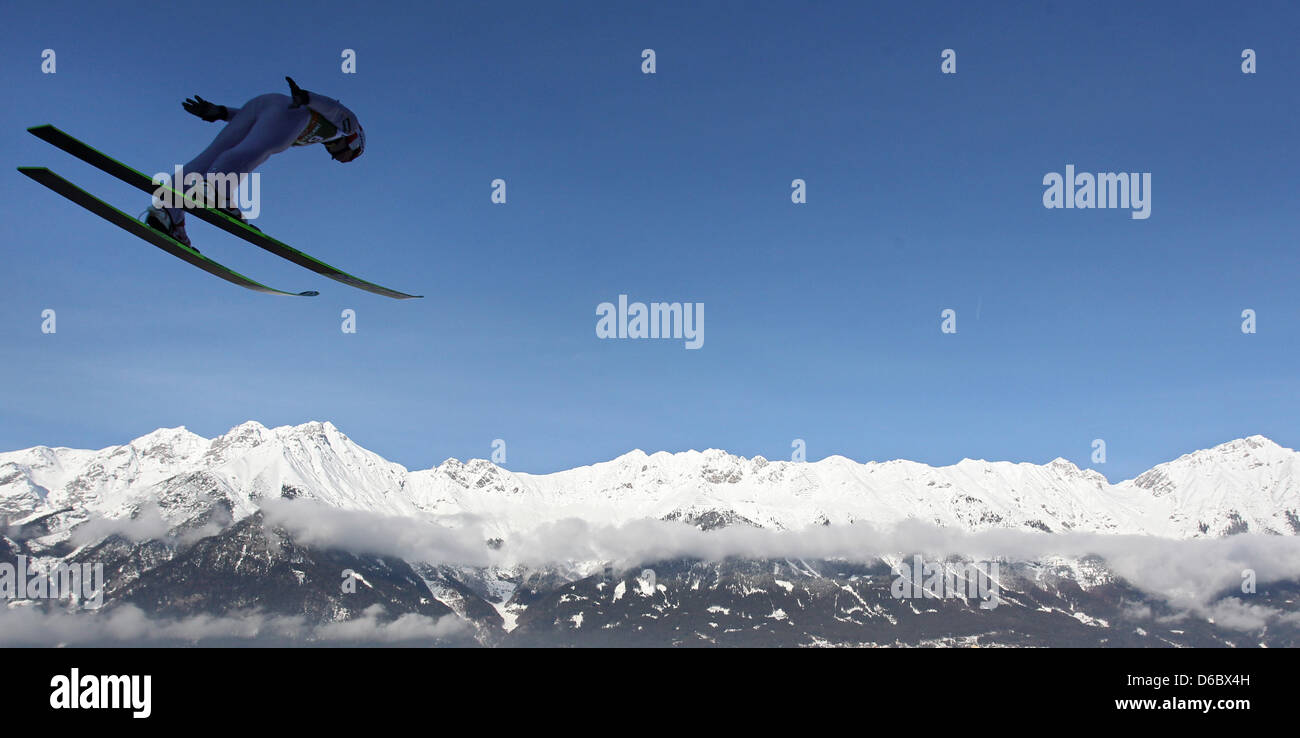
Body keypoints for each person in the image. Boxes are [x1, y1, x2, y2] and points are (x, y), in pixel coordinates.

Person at [145, 77, 364, 248]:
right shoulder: (348, 127)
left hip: (263, 104)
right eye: (347, 157)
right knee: (258, 150)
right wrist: (307, 98)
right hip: (293, 111)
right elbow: (336, 110)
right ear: (355, 144)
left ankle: (166, 211)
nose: (335, 157)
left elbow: (263, 121)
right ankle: (214, 191)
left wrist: (221, 112)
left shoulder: (318, 135)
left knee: (212, 155)